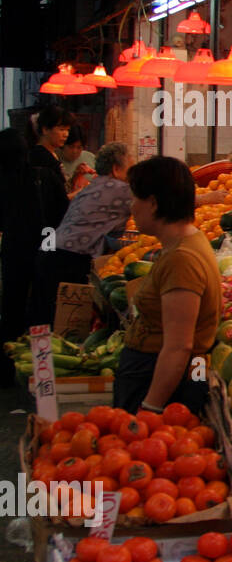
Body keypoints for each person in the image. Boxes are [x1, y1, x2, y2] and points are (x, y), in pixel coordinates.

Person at [113, 156, 222, 415]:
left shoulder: (181, 259)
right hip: (152, 372)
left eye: (134, 199)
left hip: (157, 381)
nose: (131, 207)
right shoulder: (186, 242)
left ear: (152, 203)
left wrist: (151, 407)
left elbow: (179, 346)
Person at [30, 143, 134, 326]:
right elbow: (158, 204)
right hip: (68, 259)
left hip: (51, 253)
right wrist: (202, 199)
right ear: (117, 169)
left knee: (43, 318)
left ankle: (37, 352)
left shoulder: (93, 187)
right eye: (131, 166)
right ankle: (45, 353)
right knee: (63, 321)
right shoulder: (120, 189)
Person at [0, 129, 39, 386]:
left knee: (10, 307)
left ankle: (5, 367)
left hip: (12, 248)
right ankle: (27, 362)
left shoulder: (2, 179)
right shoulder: (34, 178)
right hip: (35, 249)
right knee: (32, 308)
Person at [60, 123, 96, 193]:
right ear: (63, 145)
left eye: (79, 147)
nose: (74, 151)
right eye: (71, 146)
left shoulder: (90, 157)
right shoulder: (55, 160)